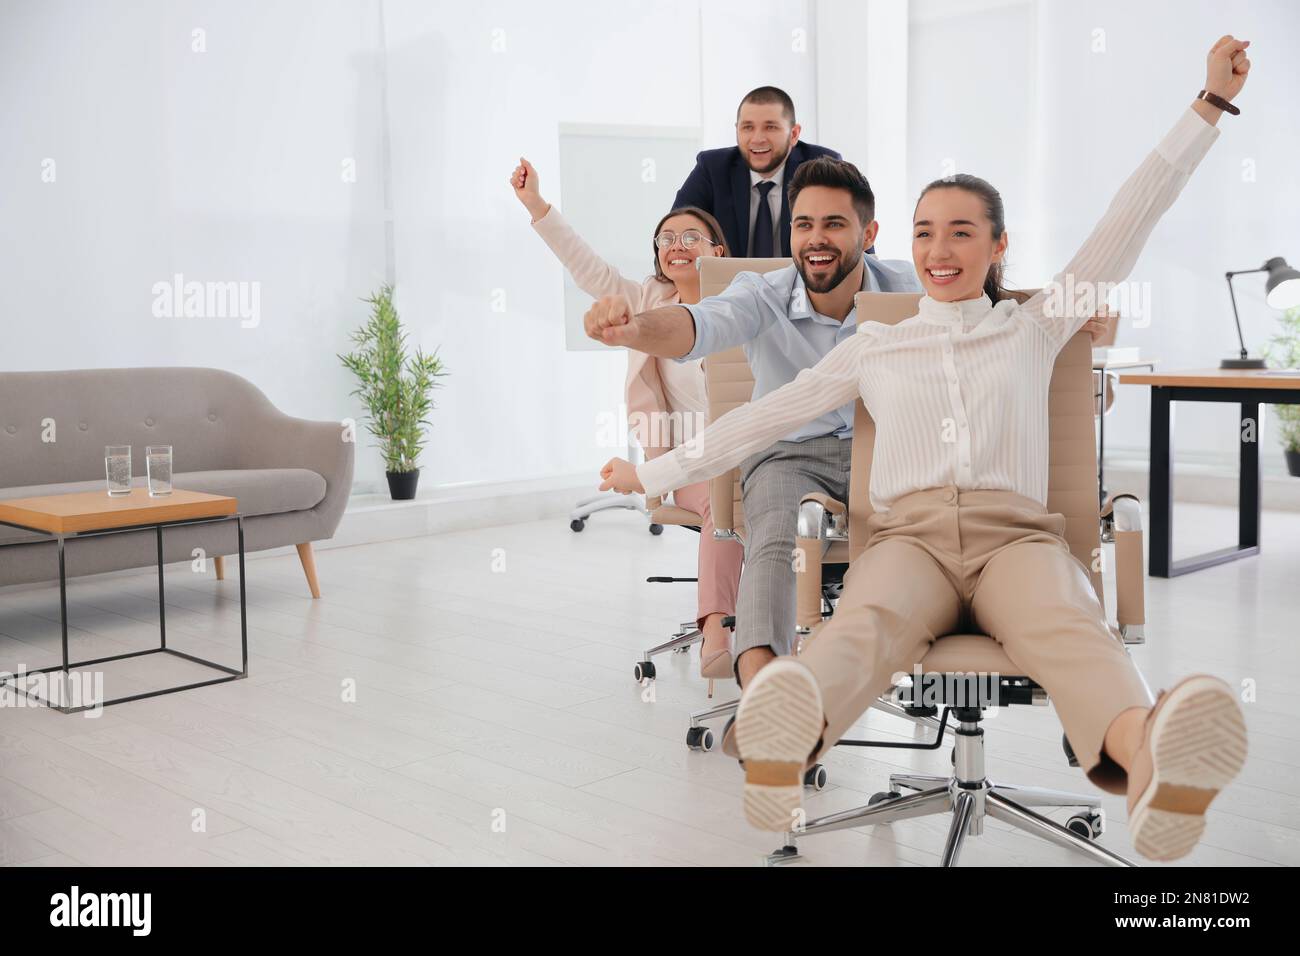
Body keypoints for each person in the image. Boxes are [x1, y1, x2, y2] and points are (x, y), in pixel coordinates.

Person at [593, 36, 1253, 863]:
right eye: (927, 233)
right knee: (862, 625)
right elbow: (759, 422)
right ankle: (783, 748)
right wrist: (649, 474)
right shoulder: (877, 343)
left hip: (1017, 536)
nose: (940, 251)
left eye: (963, 233)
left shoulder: (1035, 325)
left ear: (997, 247)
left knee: (1071, 627)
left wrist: (1207, 109)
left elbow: (1132, 216)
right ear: (907, 242)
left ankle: (1154, 761)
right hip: (907, 539)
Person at [588, 156, 920, 698]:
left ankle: (902, 664)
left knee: (927, 537)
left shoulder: (908, 287)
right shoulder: (761, 291)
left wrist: (1083, 320)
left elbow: (991, 313)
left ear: (869, 232)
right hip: (788, 453)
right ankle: (768, 693)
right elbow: (699, 324)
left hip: (887, 451)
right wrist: (636, 329)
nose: (816, 239)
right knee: (774, 543)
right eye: (803, 224)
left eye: (834, 224)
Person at [510, 157, 743, 680]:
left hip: (751, 452)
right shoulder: (648, 301)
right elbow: (587, 267)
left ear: (718, 252)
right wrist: (536, 206)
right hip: (688, 465)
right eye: (666, 239)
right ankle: (716, 629)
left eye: (691, 236)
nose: (676, 244)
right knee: (723, 501)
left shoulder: (744, 306)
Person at [673, 86, 850, 258]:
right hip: (729, 286)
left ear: (794, 134)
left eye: (770, 127)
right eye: (747, 127)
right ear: (737, 130)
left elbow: (858, 246)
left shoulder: (822, 166)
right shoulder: (712, 168)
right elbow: (674, 234)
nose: (757, 139)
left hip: (802, 285)